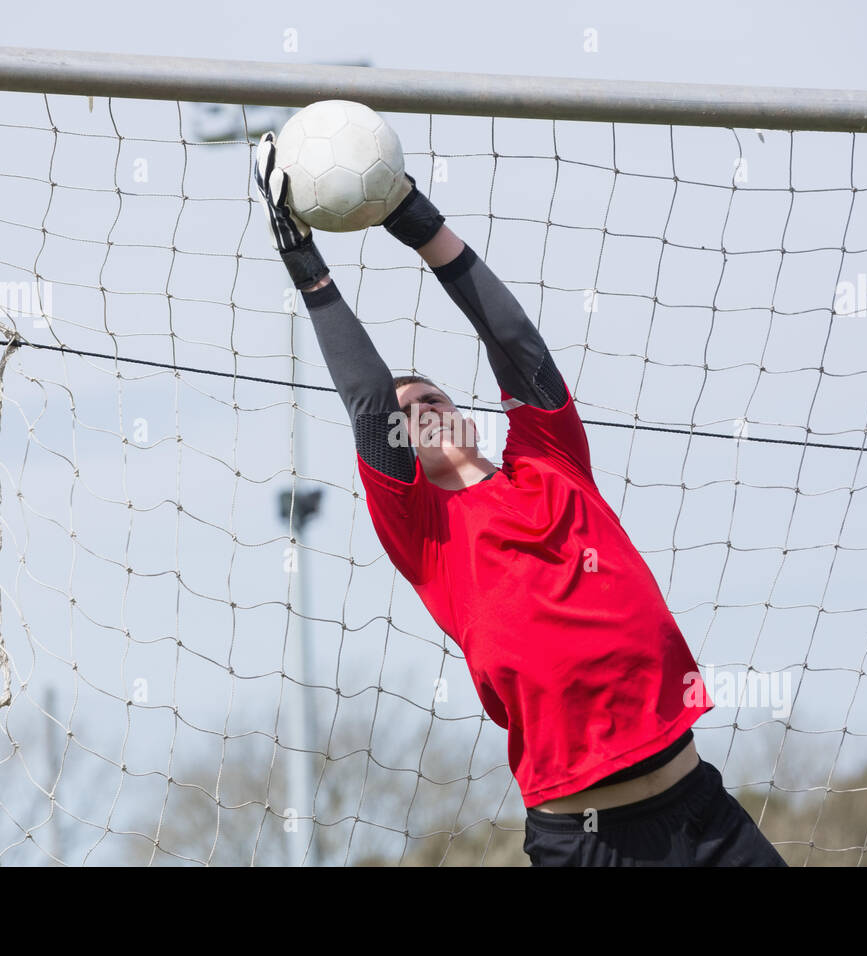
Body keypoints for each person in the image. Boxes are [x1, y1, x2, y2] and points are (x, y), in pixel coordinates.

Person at [254, 132, 786, 867]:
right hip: (588, 844)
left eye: (431, 396)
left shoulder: (552, 462)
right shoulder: (425, 531)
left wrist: (416, 219)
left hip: (702, 812)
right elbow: (371, 402)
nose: (416, 414)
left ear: (467, 413)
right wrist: (306, 267)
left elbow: (515, 342)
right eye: (405, 417)